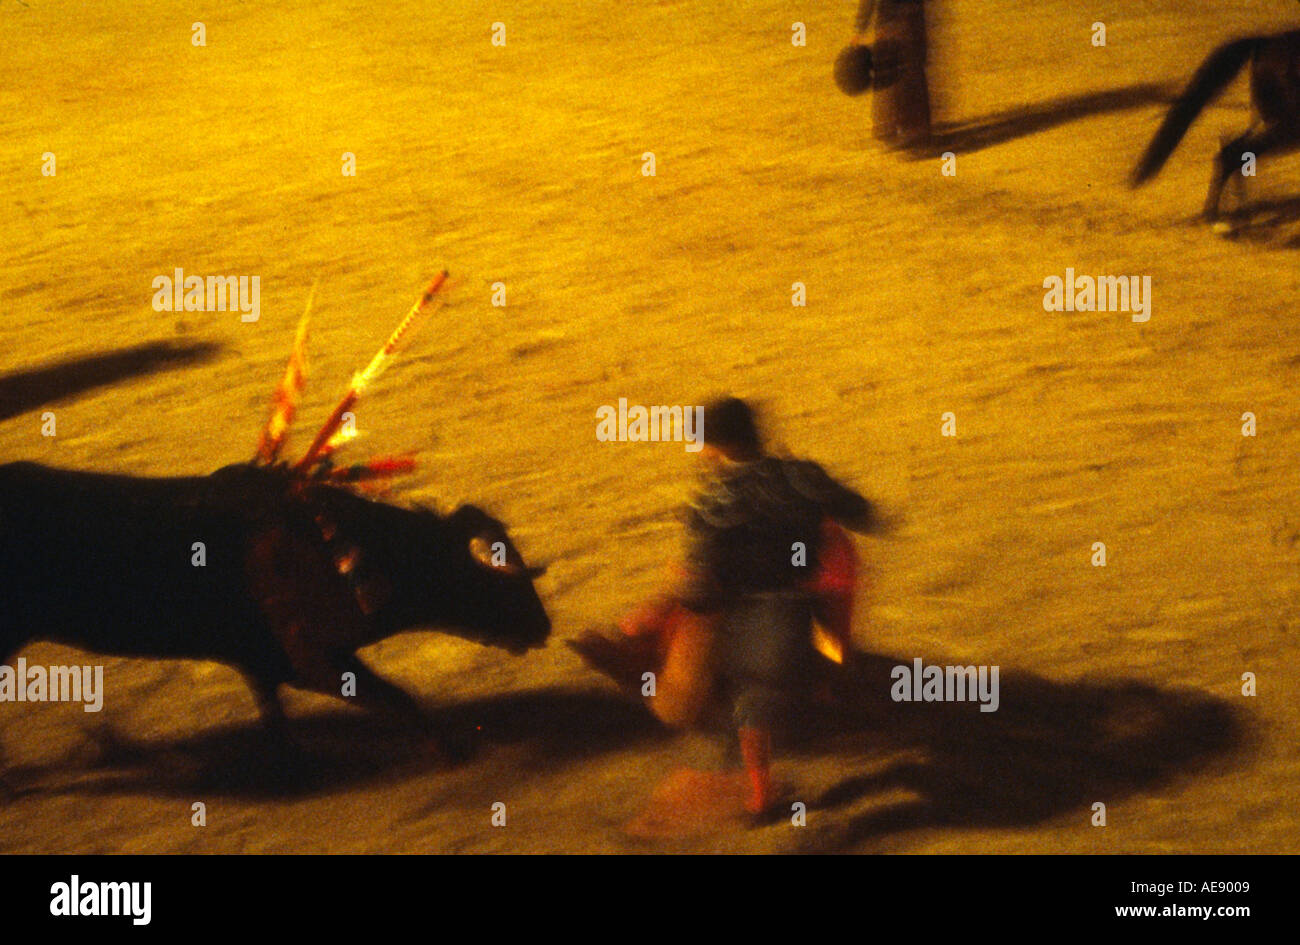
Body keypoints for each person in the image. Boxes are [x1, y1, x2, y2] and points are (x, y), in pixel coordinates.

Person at [576, 398, 877, 819]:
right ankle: (829, 677)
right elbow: (863, 512)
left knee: (723, 681)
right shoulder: (801, 476)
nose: (698, 451)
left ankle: (760, 791)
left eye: (702, 443)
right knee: (828, 626)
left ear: (721, 445)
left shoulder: (712, 504)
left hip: (753, 622)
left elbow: (699, 586)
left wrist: (666, 605)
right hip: (809, 599)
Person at [849, 0, 932, 149]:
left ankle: (898, 129)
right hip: (904, 20)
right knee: (906, 71)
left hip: (894, 21)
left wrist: (860, 27)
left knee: (894, 72)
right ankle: (909, 128)